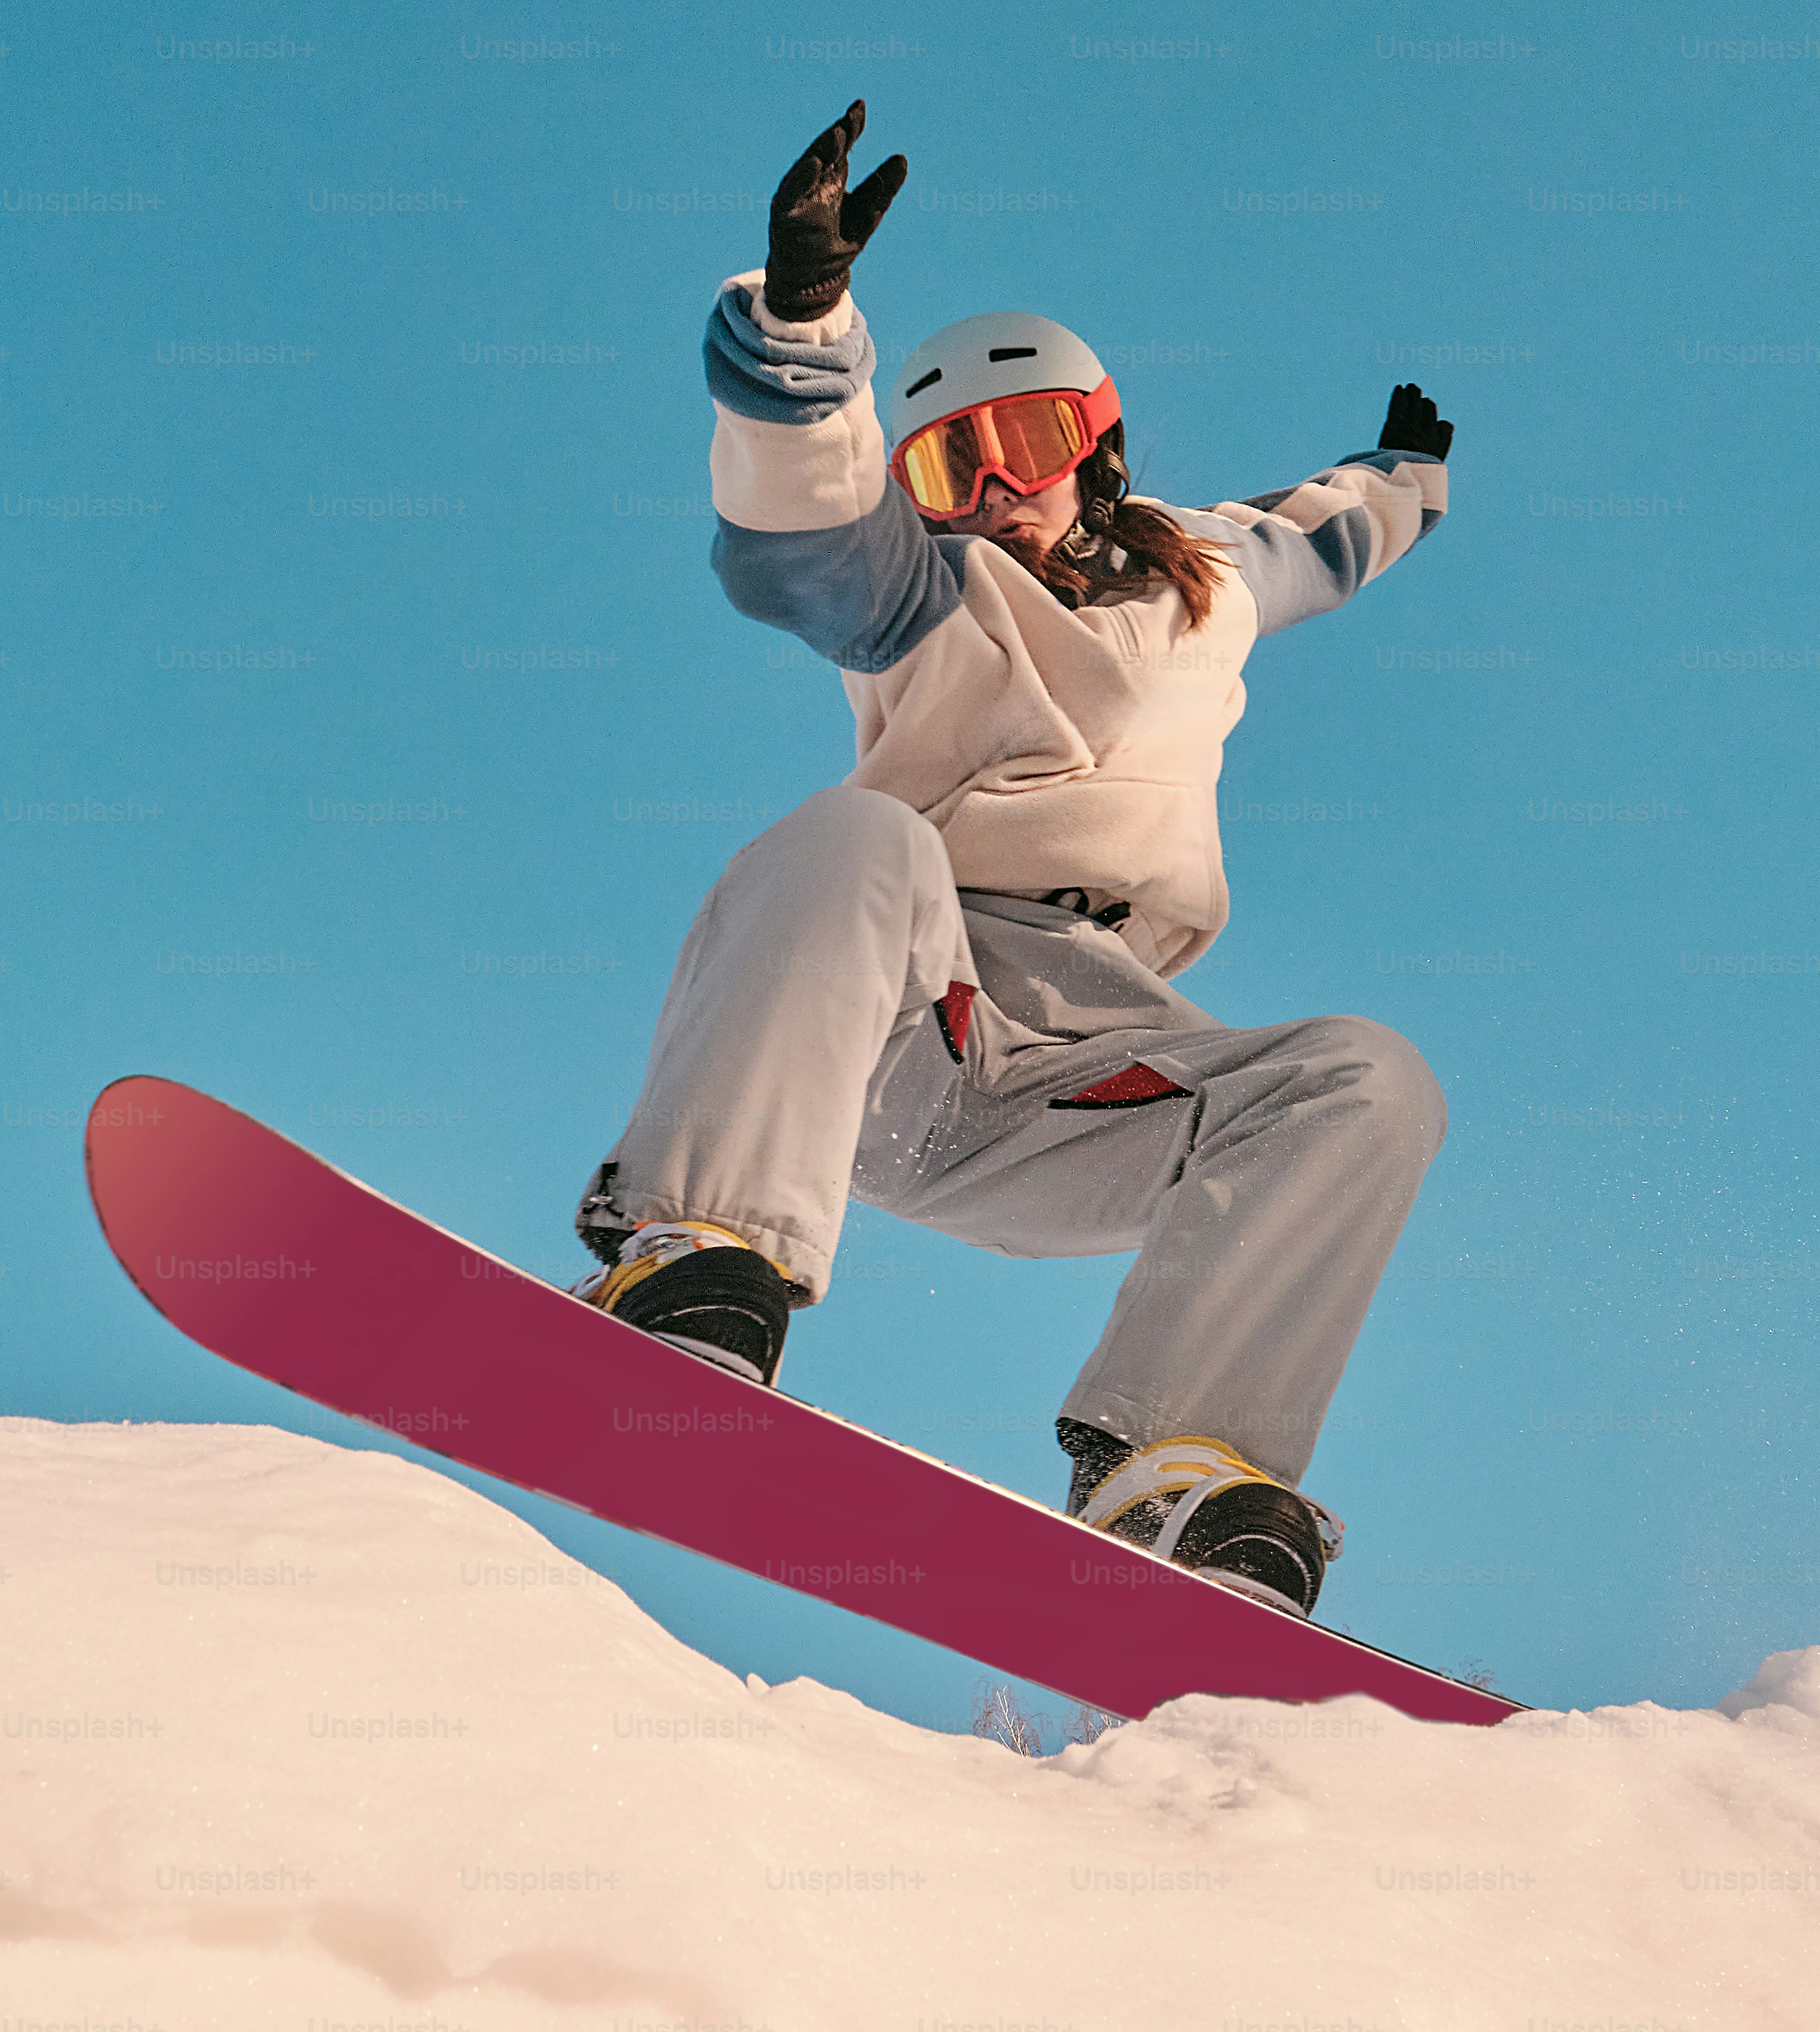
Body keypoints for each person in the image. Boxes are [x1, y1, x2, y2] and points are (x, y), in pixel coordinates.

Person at [570, 104, 1456, 1618]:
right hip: (904, 1011)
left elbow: (1323, 534)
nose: (989, 487)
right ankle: (698, 1256)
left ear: (1095, 450)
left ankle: (1179, 1470)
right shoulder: (918, 598)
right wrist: (801, 331)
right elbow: (799, 534)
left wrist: (1403, 474)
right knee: (858, 833)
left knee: (1363, 1074)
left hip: (1095, 1071)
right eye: (944, 467)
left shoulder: (1208, 577)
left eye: (1024, 443)